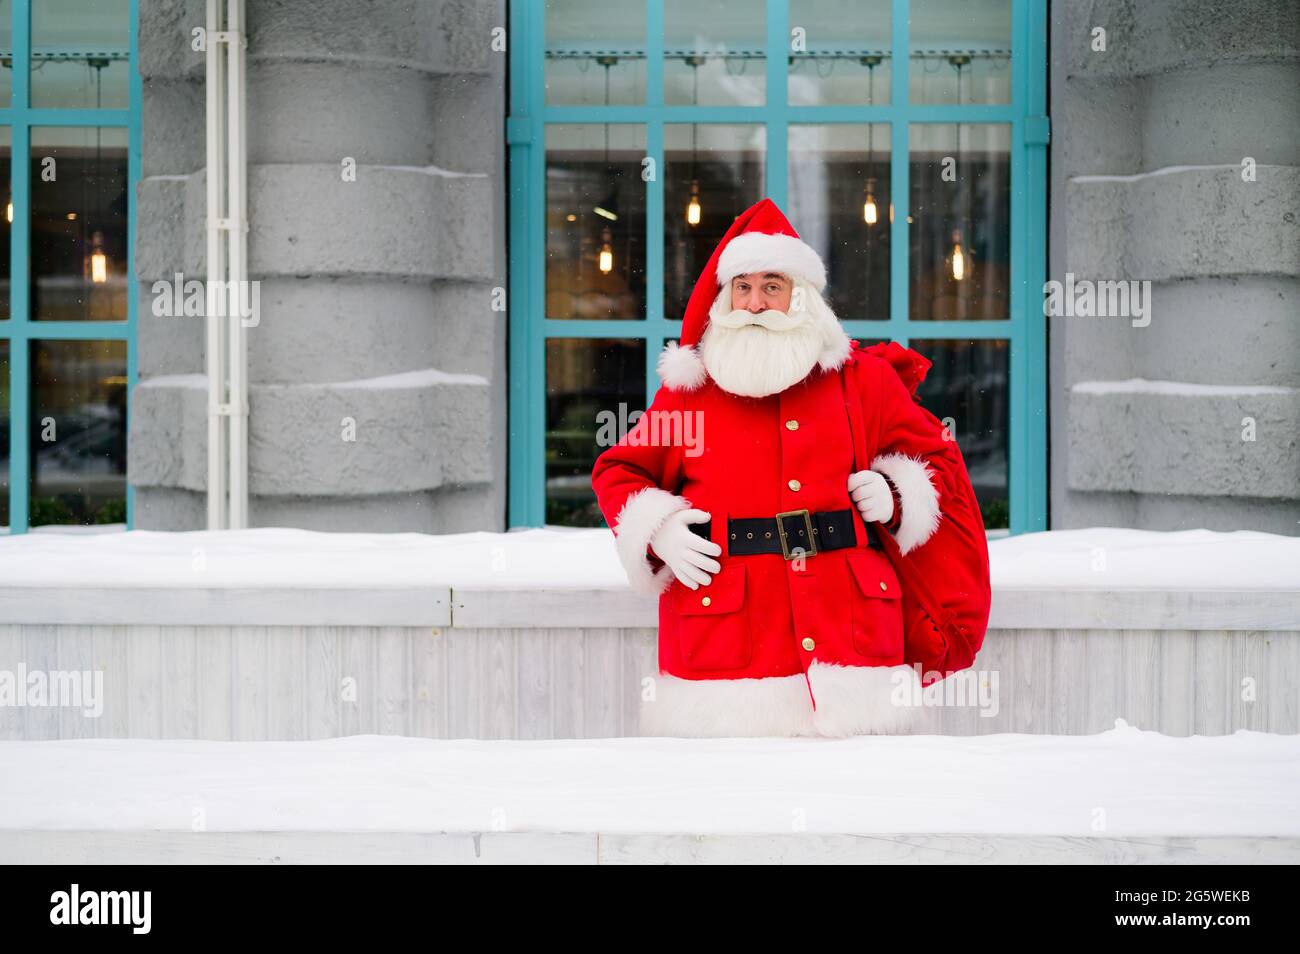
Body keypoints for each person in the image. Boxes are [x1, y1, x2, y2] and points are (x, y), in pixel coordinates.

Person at [591, 197, 984, 737]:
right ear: (725, 298)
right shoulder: (689, 393)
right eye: (743, 287)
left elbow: (937, 460)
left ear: (801, 297)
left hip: (851, 641)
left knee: (860, 810)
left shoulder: (861, 380)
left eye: (772, 286)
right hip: (724, 647)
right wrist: (656, 528)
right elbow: (620, 470)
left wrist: (897, 492)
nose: (755, 302)